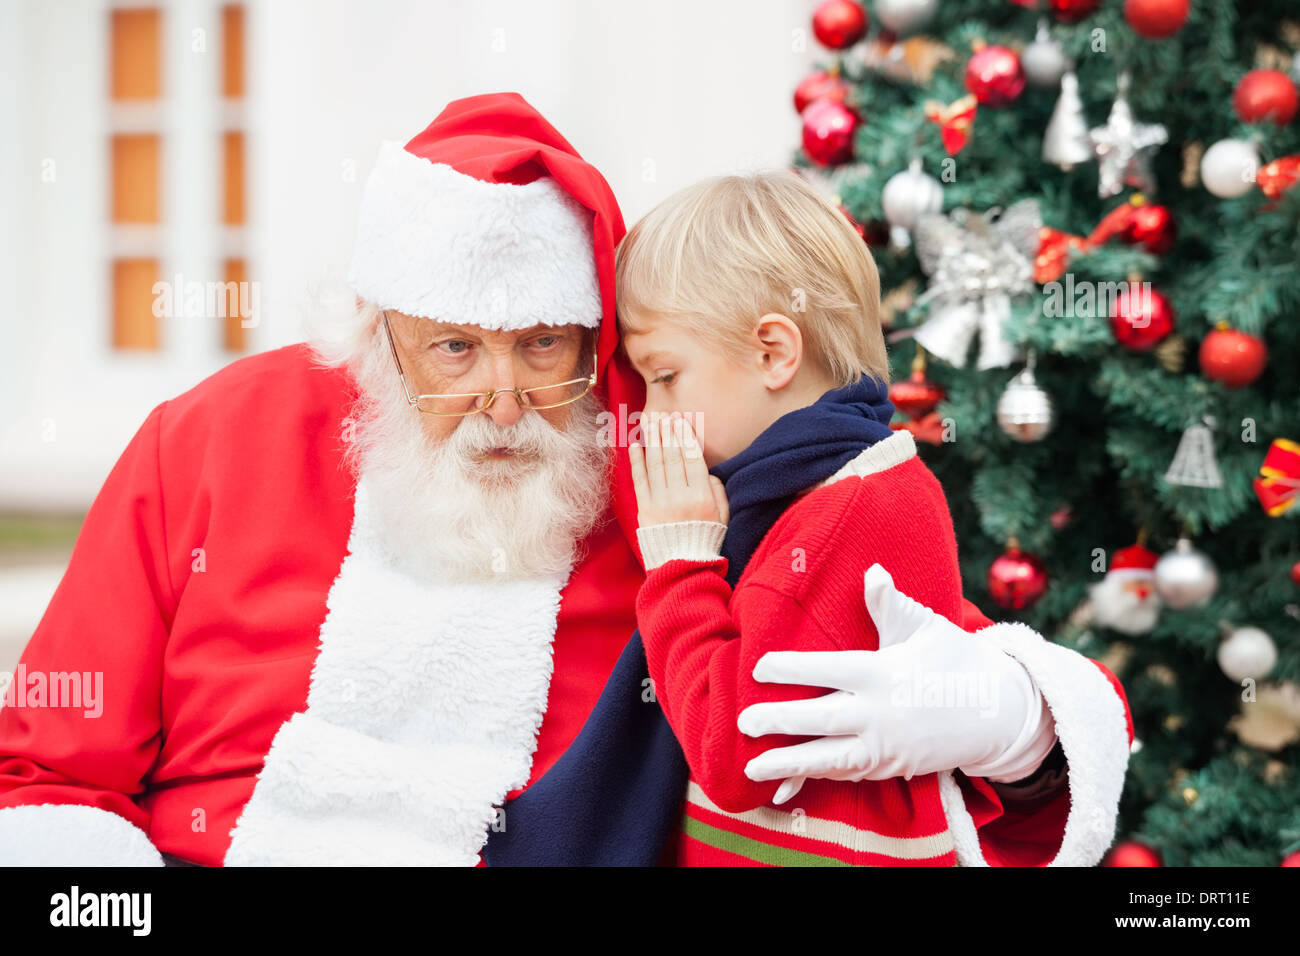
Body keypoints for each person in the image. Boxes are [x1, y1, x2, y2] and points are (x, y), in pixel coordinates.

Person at [0, 93, 1130, 866]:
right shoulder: (209, 440)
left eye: (543, 347)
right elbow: (45, 774)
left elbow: (923, 663)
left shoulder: (672, 465)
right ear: (377, 337)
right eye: (454, 349)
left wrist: (1017, 723)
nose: (503, 398)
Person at [619, 170, 1133, 865]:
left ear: (773, 353)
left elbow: (733, 753)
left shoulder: (841, 509)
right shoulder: (842, 487)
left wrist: (680, 567)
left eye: (665, 375)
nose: (651, 416)